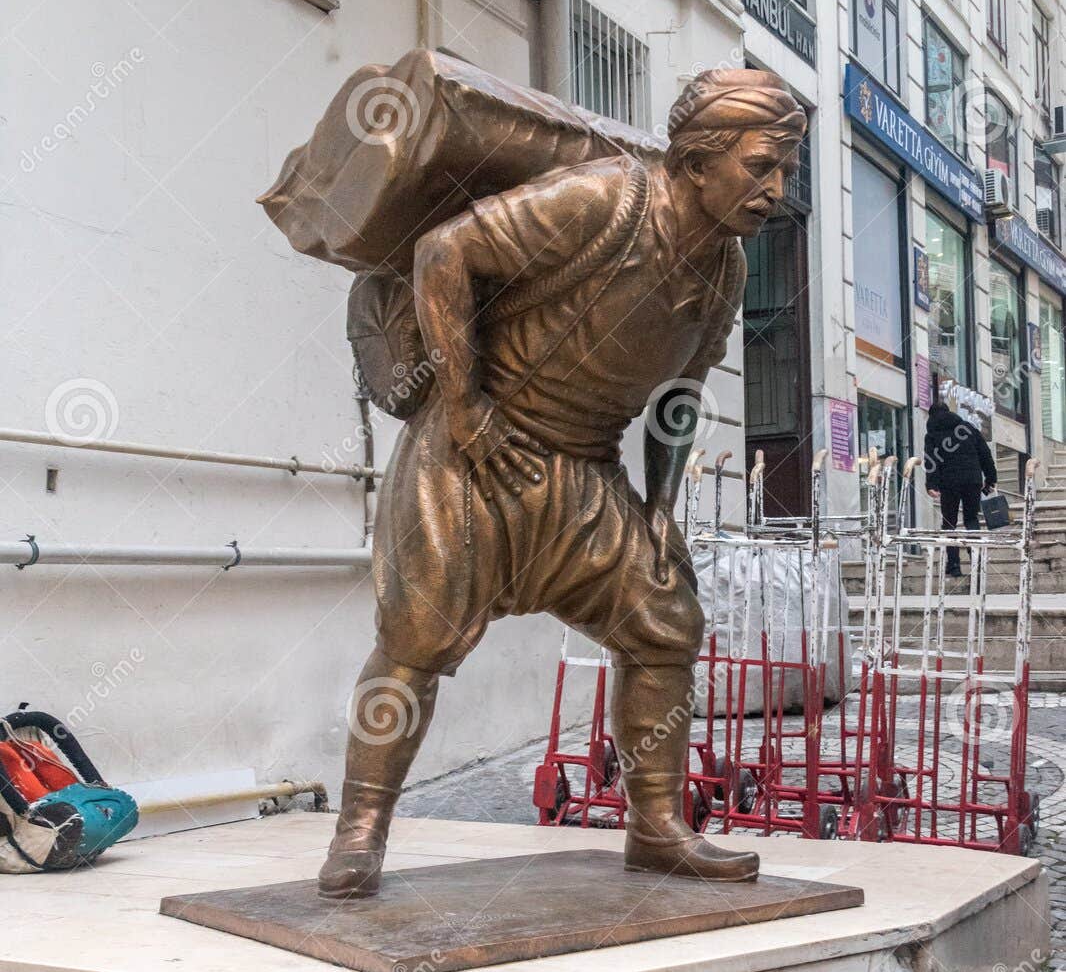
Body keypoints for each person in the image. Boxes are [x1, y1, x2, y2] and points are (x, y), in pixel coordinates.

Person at [319, 68, 807, 899]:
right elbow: (446, 252)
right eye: (761, 166)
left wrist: (657, 509)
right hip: (476, 451)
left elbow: (680, 397)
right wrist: (466, 406)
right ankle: (359, 831)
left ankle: (656, 826)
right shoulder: (607, 199)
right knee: (415, 643)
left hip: (589, 467)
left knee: (665, 625)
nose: (776, 190)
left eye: (786, 171)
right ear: (696, 161)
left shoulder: (724, 268)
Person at [923, 400, 997, 577]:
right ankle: (976, 562)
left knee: (949, 523)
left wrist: (931, 484)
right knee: (972, 520)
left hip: (948, 483)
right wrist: (991, 477)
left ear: (931, 416)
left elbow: (930, 461)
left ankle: (954, 565)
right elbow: (984, 453)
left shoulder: (932, 434)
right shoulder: (967, 428)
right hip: (972, 480)